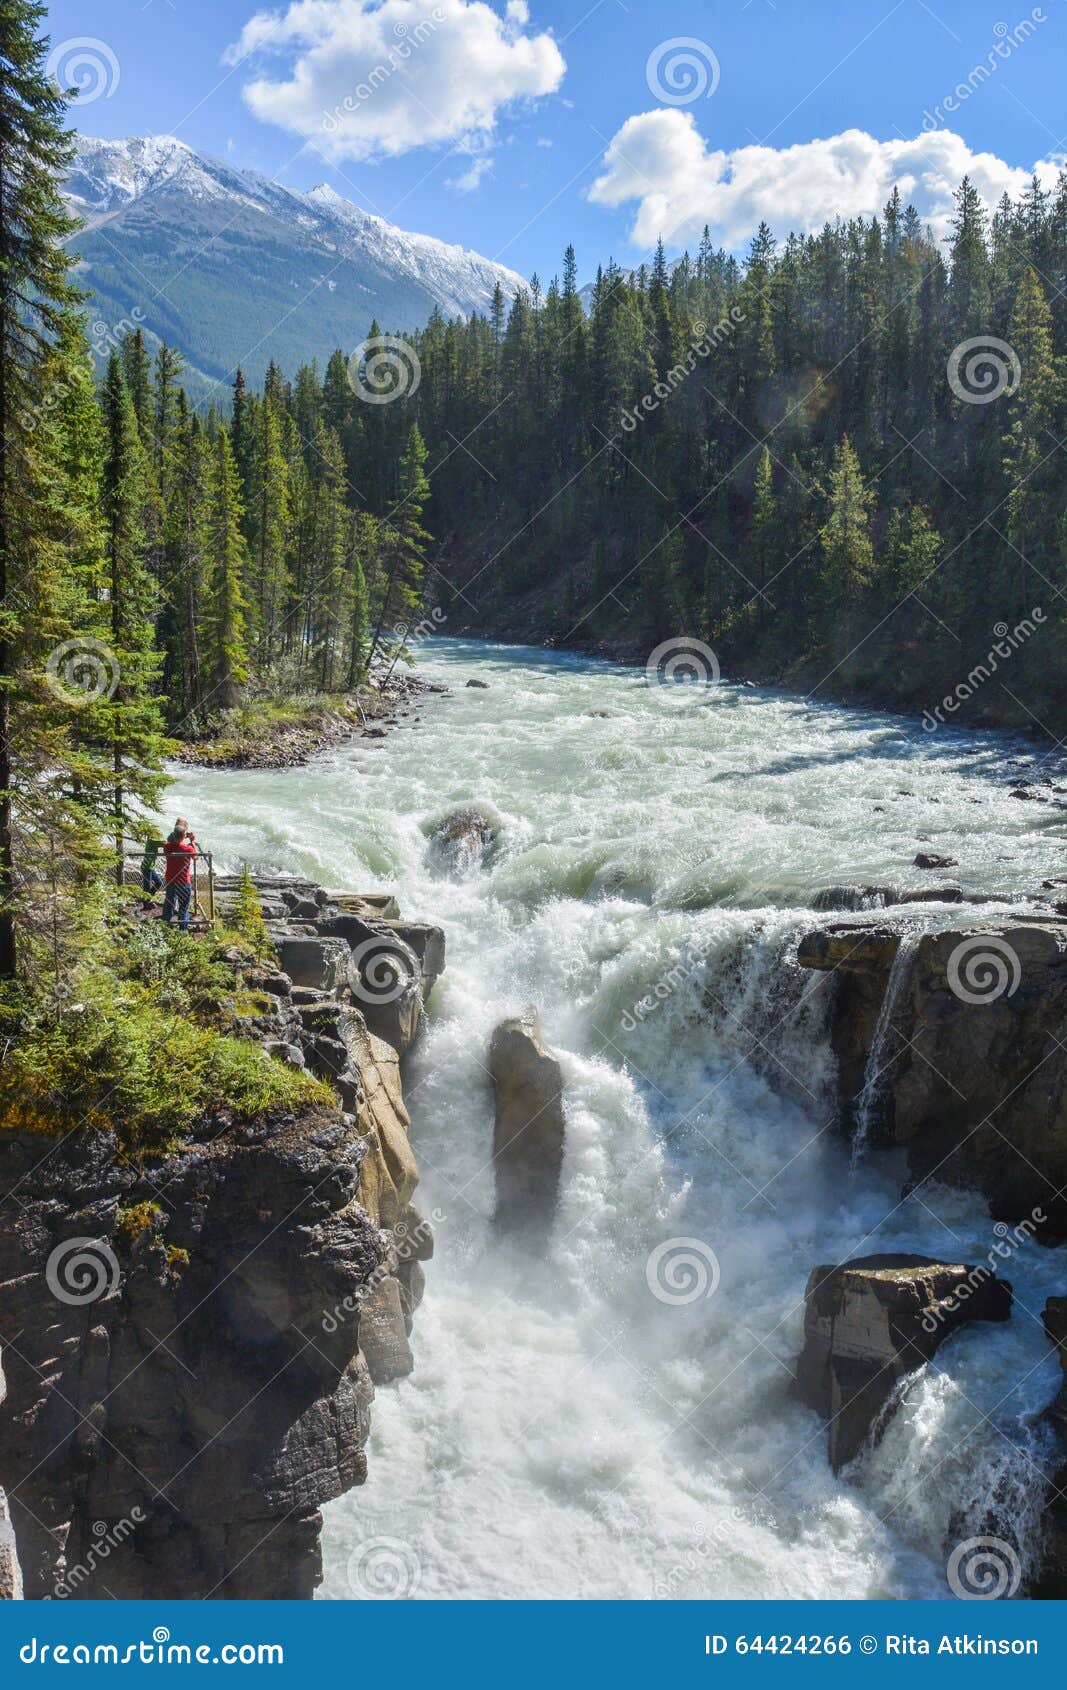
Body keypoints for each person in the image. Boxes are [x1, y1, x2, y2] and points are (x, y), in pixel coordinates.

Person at [162, 819, 197, 931]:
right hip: (183, 882)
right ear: (183, 836)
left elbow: (170, 840)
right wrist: (192, 841)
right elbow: (195, 857)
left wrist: (182, 835)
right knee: (184, 907)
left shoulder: (167, 847)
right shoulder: (188, 849)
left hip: (171, 880)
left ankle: (165, 927)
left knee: (169, 903)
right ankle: (183, 931)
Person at [140, 838, 163, 906]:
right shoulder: (153, 841)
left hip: (150, 867)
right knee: (147, 887)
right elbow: (165, 844)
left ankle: (147, 899)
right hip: (147, 867)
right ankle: (146, 904)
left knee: (159, 883)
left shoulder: (151, 840)